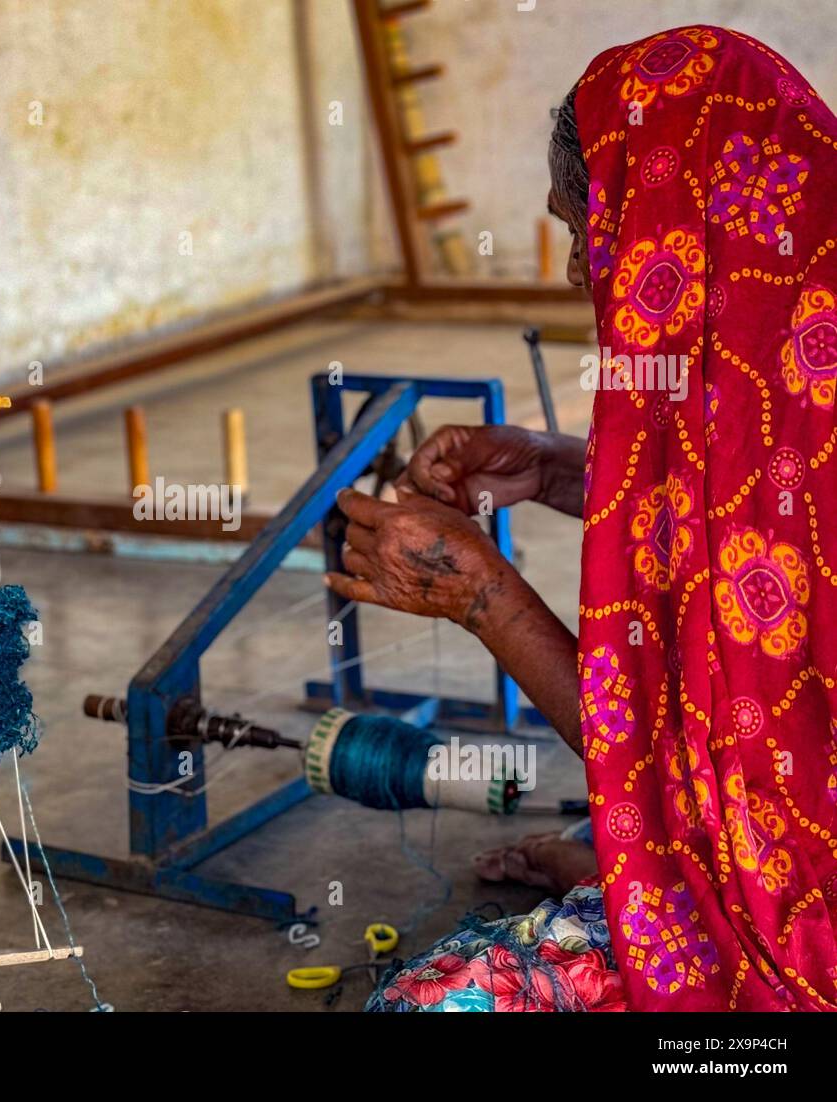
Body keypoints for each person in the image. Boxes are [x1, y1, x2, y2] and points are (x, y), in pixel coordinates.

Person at [334, 25, 837, 1012]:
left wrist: (485, 600)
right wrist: (567, 468)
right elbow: (744, 519)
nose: (576, 272)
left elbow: (745, 775)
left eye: (580, 230)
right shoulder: (790, 334)